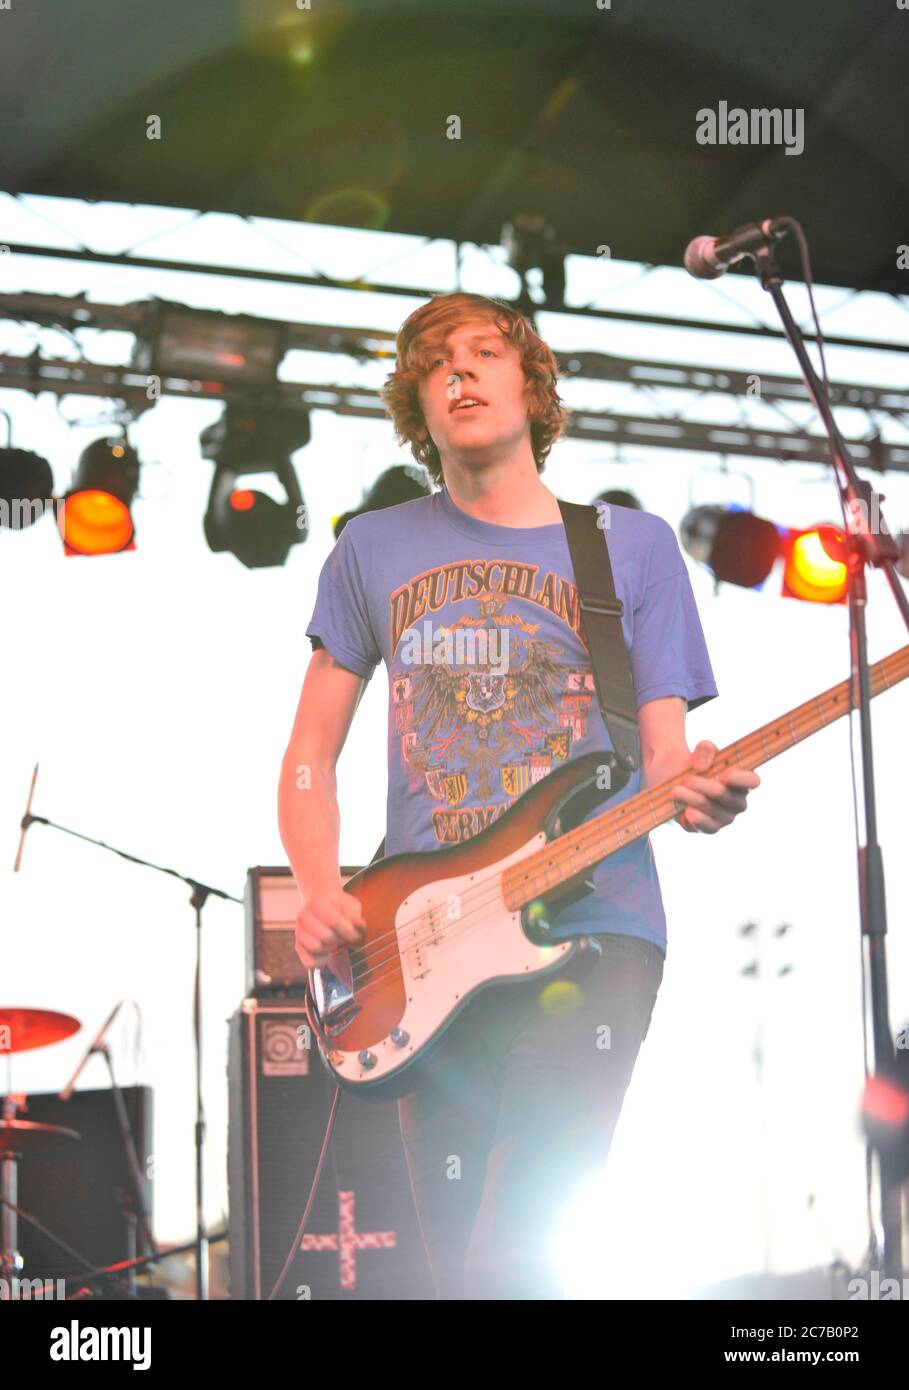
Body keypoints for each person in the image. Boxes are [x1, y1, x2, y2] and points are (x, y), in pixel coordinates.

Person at [278, 291, 760, 1299]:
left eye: (484, 352)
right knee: (456, 1266)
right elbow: (311, 753)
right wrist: (319, 886)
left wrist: (703, 790)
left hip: (594, 927)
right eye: (435, 362)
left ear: (530, 385)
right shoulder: (371, 548)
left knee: (523, 1237)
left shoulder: (631, 547)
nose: (459, 372)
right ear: (417, 402)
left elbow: (666, 758)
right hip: (425, 948)